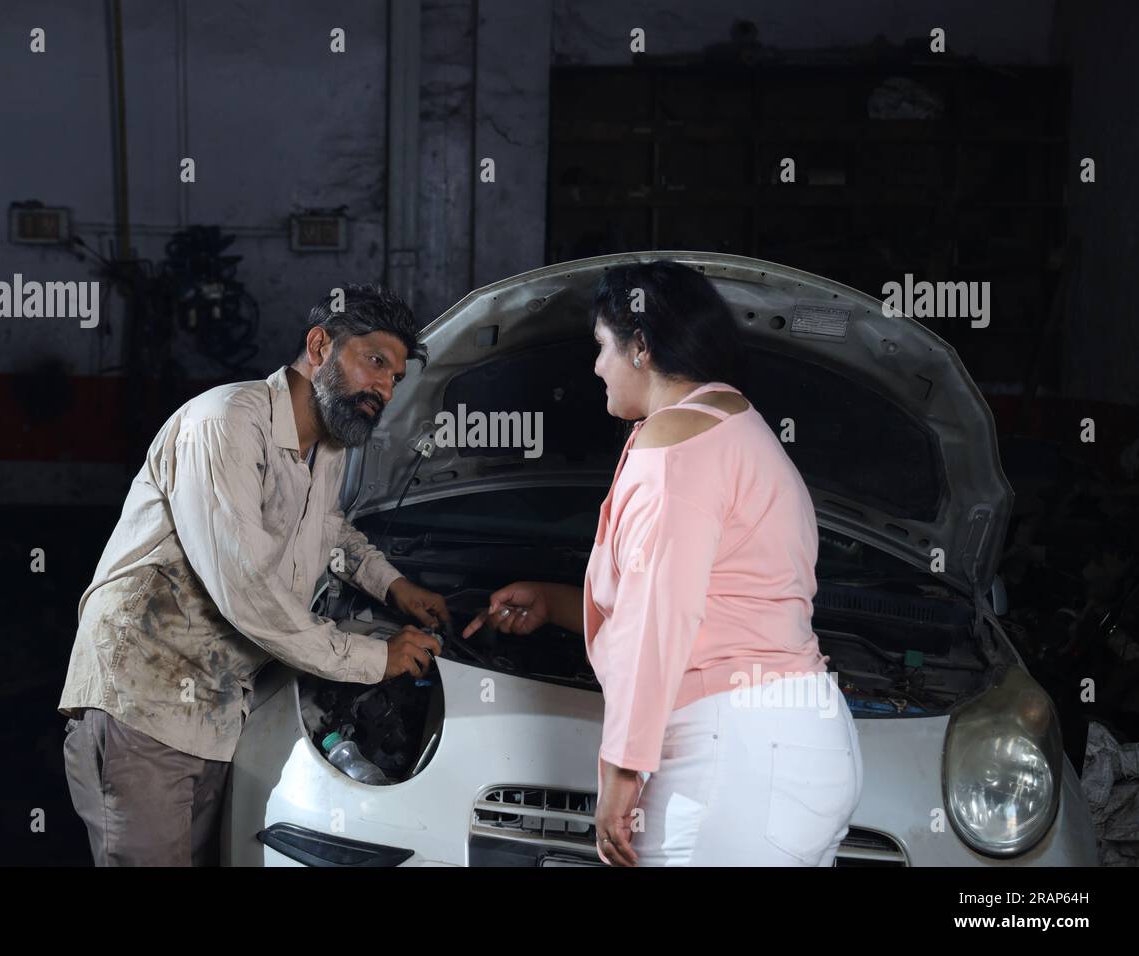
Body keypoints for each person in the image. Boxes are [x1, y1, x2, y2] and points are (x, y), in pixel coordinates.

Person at [463, 260, 862, 866]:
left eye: (602, 347)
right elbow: (697, 601)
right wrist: (552, 600)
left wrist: (621, 775)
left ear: (641, 346)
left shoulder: (673, 450)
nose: (596, 367)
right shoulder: (734, 426)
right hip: (795, 742)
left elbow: (662, 618)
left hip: (735, 757)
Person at [59, 283, 449, 866]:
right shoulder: (224, 425)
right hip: (142, 702)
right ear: (320, 346)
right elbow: (247, 590)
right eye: (375, 362)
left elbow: (329, 530)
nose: (385, 388)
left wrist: (394, 585)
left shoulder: (331, 448)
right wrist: (375, 659)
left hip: (214, 712)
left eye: (395, 377)